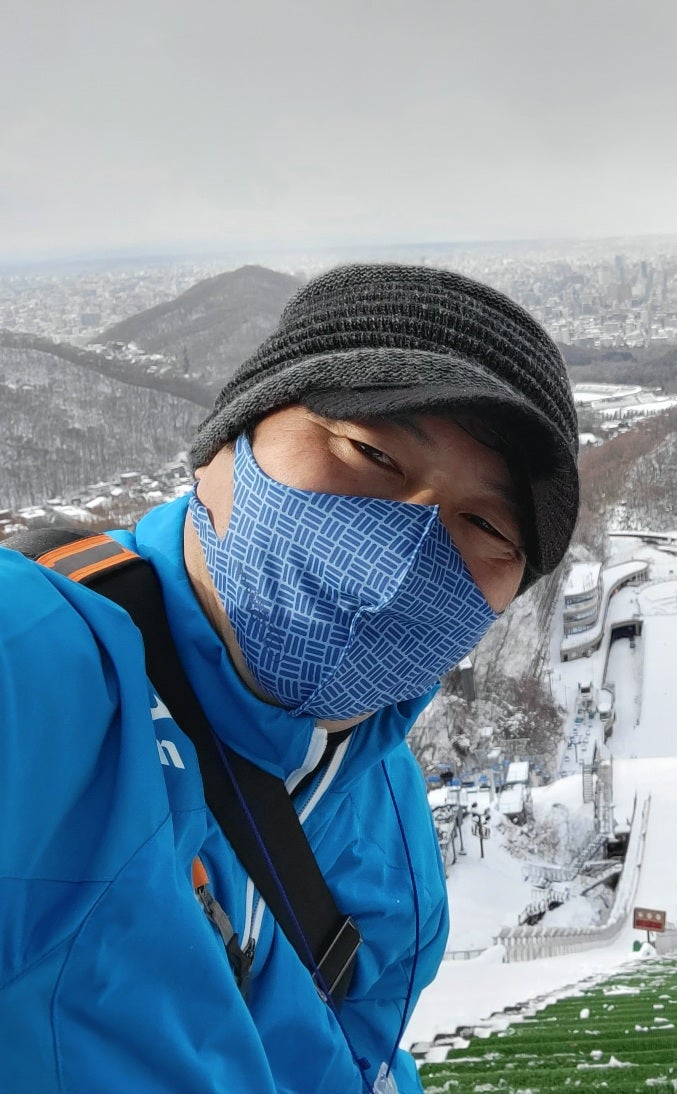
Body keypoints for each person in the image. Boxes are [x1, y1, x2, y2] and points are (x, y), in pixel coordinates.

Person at [0, 265, 579, 1092]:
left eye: (484, 524)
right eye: (369, 452)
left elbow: (355, 1063)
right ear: (220, 448)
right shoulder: (37, 661)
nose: (404, 551)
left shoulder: (391, 819)